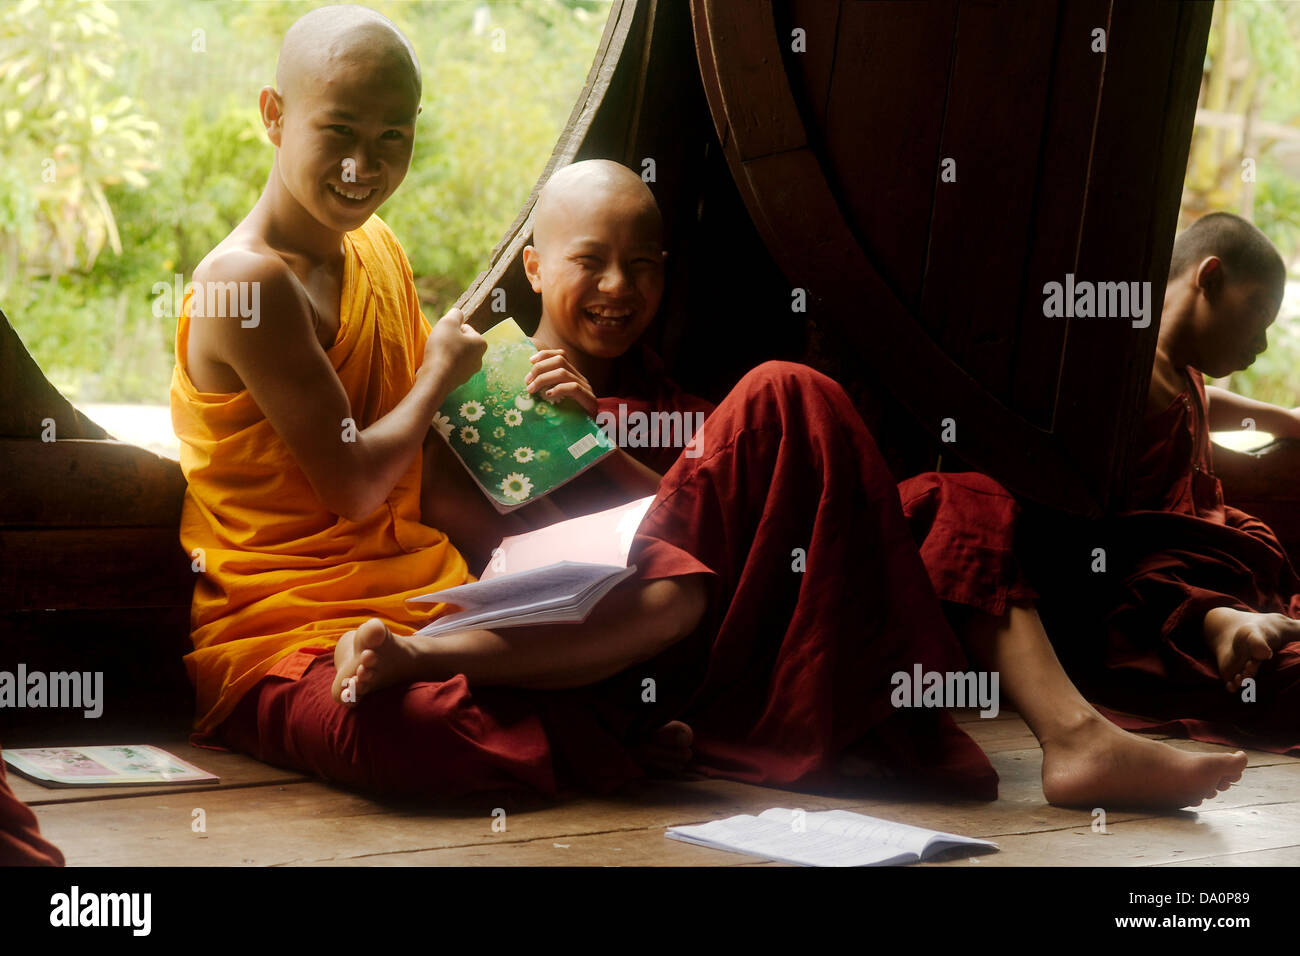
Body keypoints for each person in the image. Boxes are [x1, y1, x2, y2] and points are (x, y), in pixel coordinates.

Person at [173, 6, 1243, 809]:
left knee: (904, 471)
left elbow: (447, 489)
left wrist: (559, 519)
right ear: (532, 269)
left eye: (392, 138)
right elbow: (388, 481)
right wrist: (468, 415)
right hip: (308, 615)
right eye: (587, 261)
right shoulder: (260, 286)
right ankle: (625, 721)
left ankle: (1059, 728)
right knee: (427, 733)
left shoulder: (378, 256)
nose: (365, 167)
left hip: (524, 594)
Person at [1033, 212, 1300, 754]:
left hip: (1207, 564)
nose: (1265, 344)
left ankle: (1232, 622)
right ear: (1211, 277)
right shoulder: (1119, 366)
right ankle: (1221, 622)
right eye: (1260, 314)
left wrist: (1288, 421)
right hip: (1146, 589)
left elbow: (1199, 402)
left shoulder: (1182, 371)